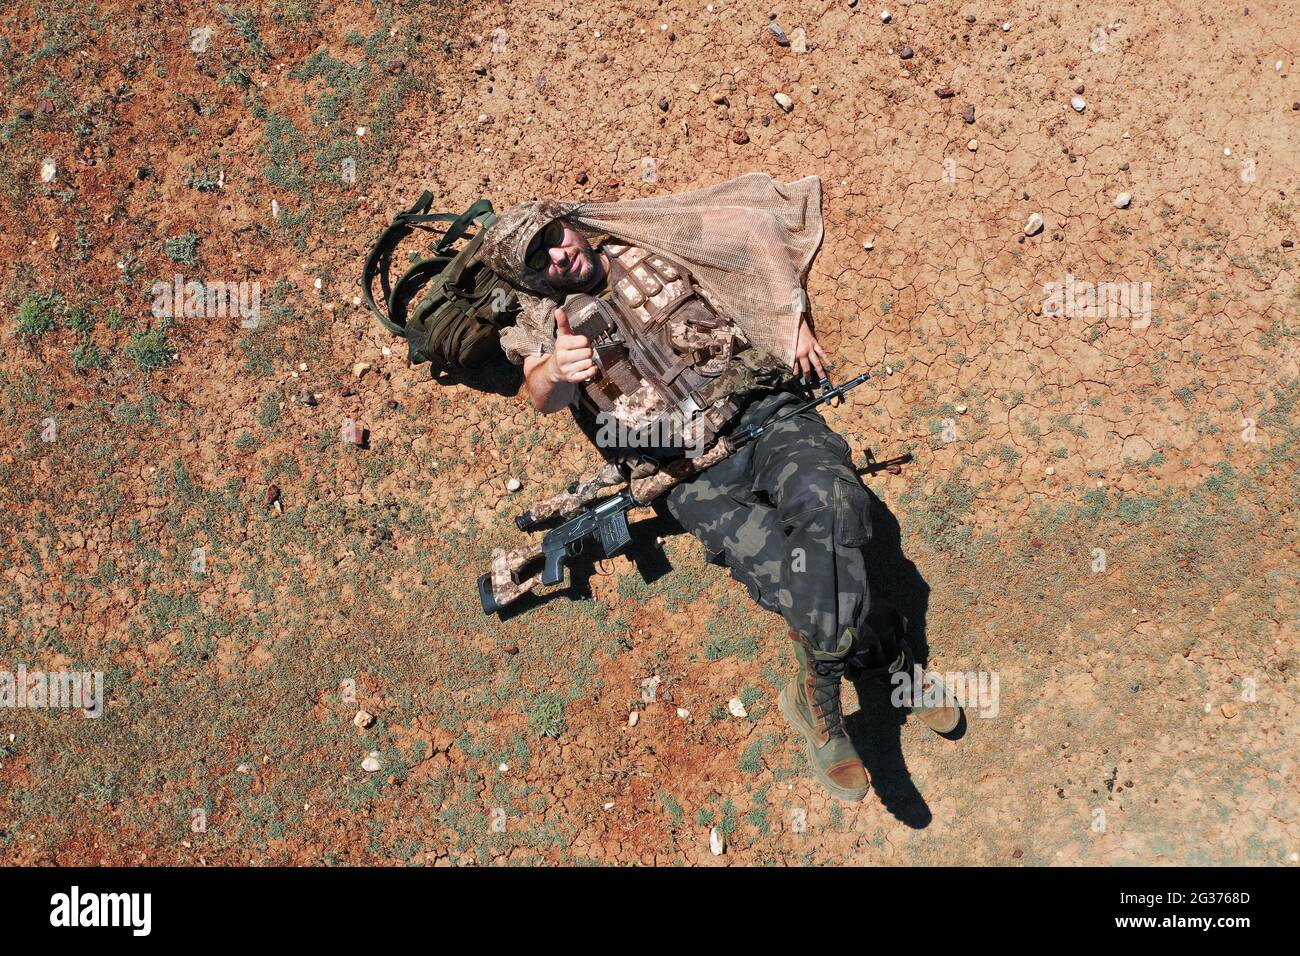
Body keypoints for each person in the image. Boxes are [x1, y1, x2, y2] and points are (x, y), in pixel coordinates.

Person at [479, 175, 957, 803]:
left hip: (766, 418)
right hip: (687, 474)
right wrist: (555, 369)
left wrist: (790, 319)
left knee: (836, 506)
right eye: (540, 263)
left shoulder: (646, 239)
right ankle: (877, 661)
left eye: (554, 238)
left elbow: (748, 230)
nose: (558, 257)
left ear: (568, 222)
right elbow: (541, 391)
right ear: (534, 284)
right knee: (793, 572)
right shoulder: (544, 321)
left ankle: (832, 689)